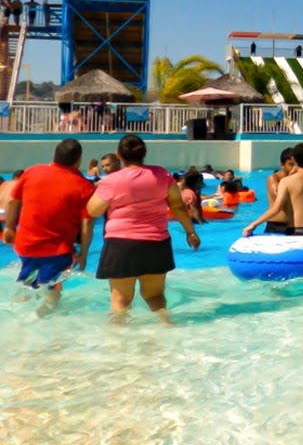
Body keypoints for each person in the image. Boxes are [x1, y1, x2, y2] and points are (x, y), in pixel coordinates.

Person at [86, 135, 201, 324]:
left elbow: (93, 210)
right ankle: (166, 327)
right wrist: (191, 232)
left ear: (118, 155)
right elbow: (178, 206)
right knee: (155, 297)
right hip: (156, 242)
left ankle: (115, 345)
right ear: (144, 153)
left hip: (120, 244)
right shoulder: (161, 175)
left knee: (120, 300)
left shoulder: (112, 180)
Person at [1, 140, 95, 313]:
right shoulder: (85, 186)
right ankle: (40, 316)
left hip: (26, 246)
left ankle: (17, 315)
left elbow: (13, 201)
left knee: (27, 284)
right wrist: (83, 254)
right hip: (57, 251)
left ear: (55, 155)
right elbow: (87, 224)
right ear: (78, 160)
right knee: (53, 293)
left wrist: (9, 228)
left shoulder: (33, 171)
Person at [244, 142, 303, 237]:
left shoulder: (286, 181)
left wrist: (253, 224)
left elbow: (276, 208)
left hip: (295, 230)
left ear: (293, 159)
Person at [263, 147, 296, 234]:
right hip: (276, 225)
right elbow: (278, 198)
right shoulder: (274, 178)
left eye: (297, 165)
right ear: (282, 165)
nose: (294, 168)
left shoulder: (300, 180)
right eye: (291, 164)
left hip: (295, 225)